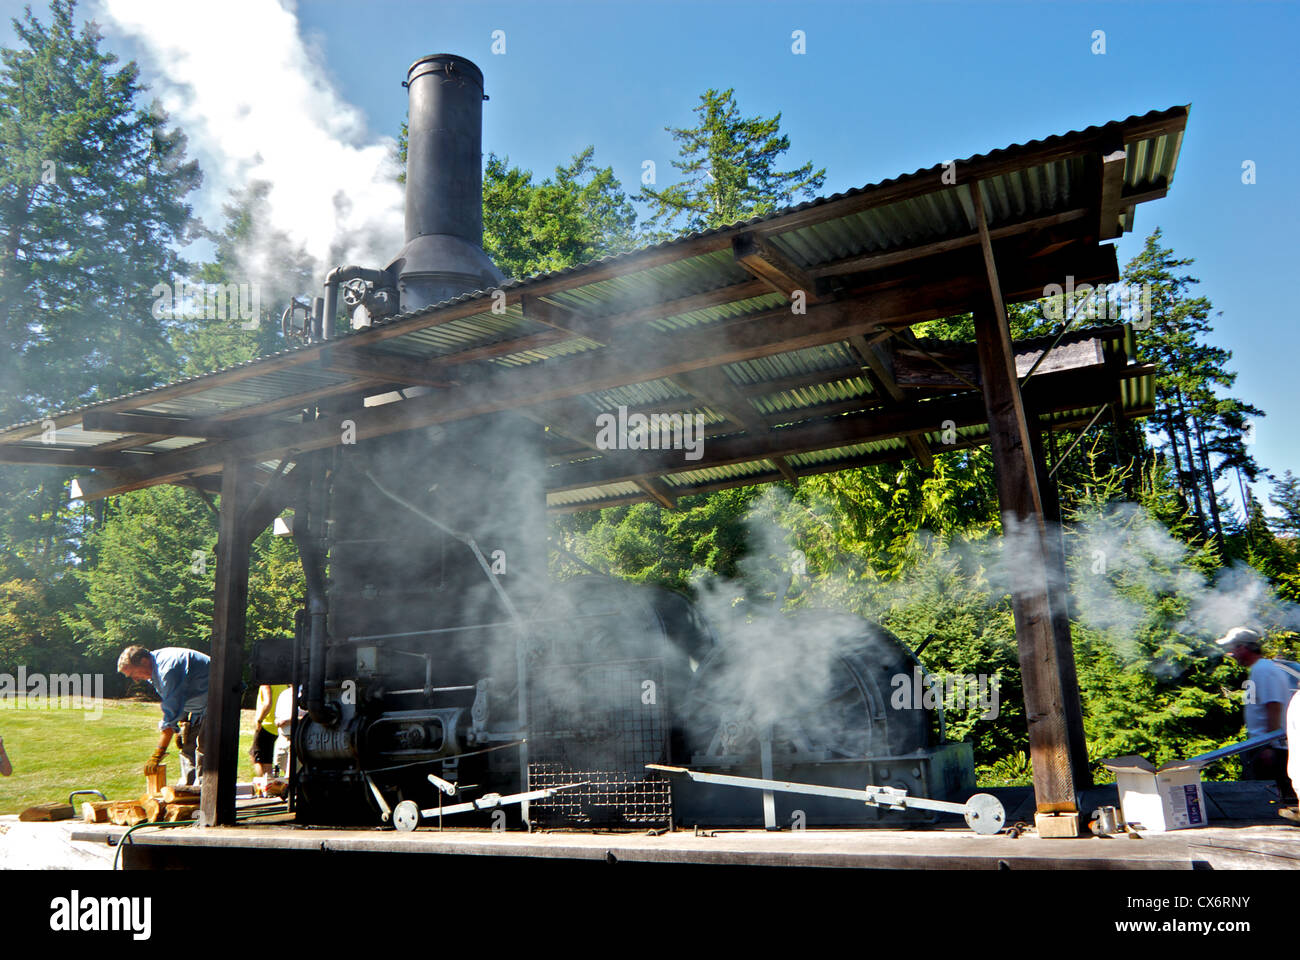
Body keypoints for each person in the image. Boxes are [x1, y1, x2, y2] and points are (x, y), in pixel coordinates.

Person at [1217, 626, 1299, 801]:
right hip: (1264, 747)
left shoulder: (1264, 670)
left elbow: (1274, 706)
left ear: (1243, 648)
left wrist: (1267, 746)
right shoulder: (1259, 669)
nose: (1231, 654)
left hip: (1270, 750)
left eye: (1233, 648)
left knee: (1268, 802)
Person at [117, 645, 210, 786]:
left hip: (220, 699)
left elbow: (171, 713)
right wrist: (184, 723)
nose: (135, 680)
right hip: (200, 708)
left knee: (206, 749)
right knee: (188, 748)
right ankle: (187, 792)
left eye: (133, 674)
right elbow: (181, 698)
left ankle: (207, 796)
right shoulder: (155, 670)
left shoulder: (167, 668)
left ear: (143, 661)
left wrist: (157, 755)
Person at [250, 684, 289, 777]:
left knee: (260, 759)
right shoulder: (282, 682)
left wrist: (259, 720)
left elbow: (268, 703)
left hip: (266, 724)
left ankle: (266, 785)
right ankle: (269, 783)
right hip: (277, 725)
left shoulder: (266, 683)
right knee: (258, 754)